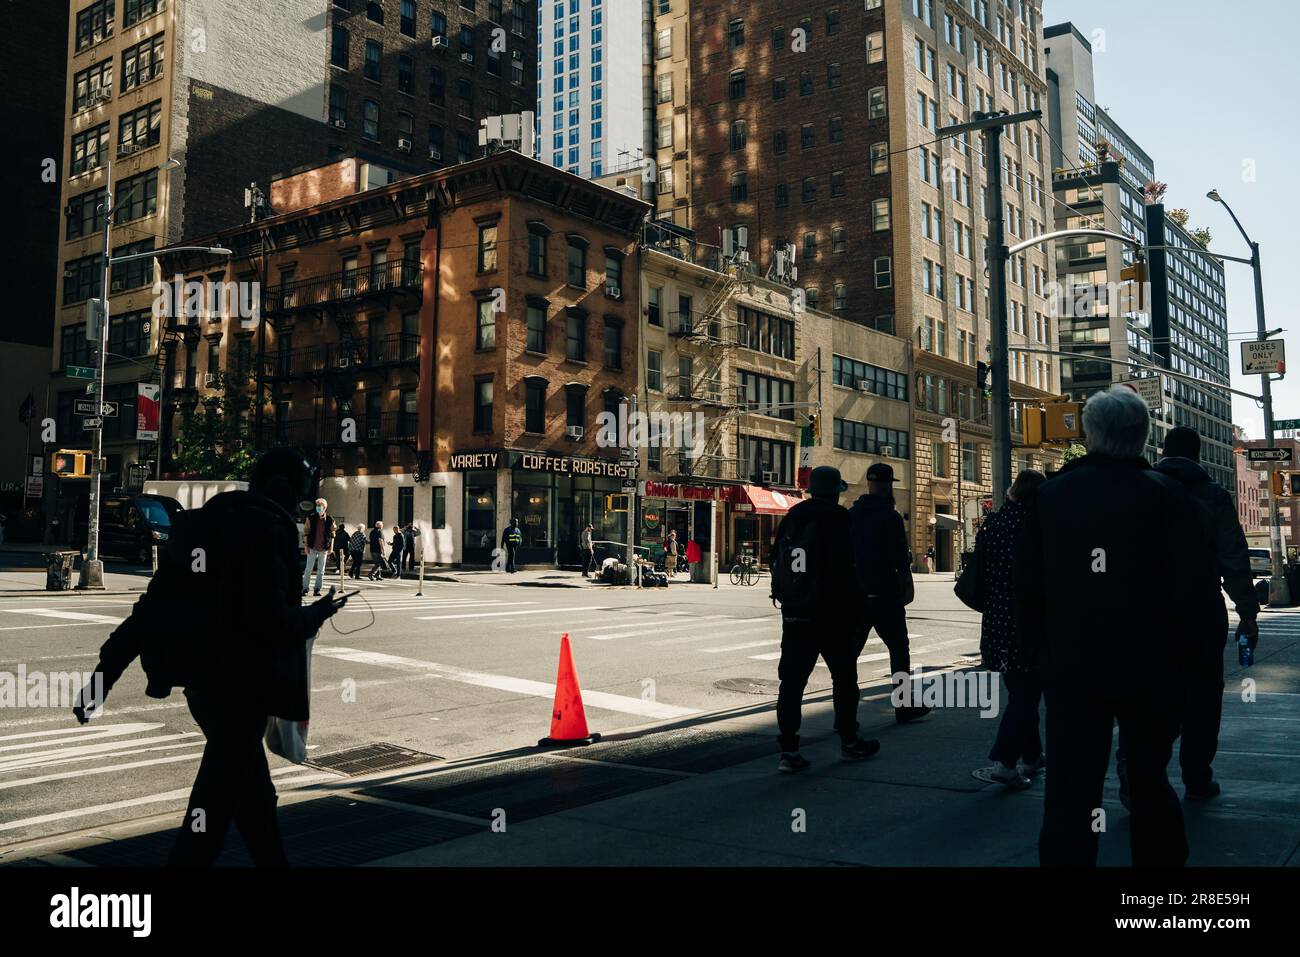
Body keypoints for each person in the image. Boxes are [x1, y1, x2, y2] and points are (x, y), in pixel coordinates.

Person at [73, 448, 348, 866]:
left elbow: (151, 609)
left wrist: (101, 681)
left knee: (249, 799)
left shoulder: (204, 524)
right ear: (287, 489)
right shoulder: (270, 530)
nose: (301, 505)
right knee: (213, 810)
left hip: (202, 687)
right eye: (302, 495)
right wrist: (315, 614)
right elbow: (270, 621)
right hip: (243, 688)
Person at [1016, 386, 1219, 867]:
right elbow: (1196, 593)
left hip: (1072, 668)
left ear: (1088, 435)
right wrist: (1198, 665)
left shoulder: (1051, 496)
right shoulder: (1169, 496)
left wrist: (1033, 656)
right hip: (1153, 668)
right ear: (1145, 437)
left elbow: (1026, 589)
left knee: (1070, 790)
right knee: (1149, 780)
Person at [1114, 425, 1259, 803]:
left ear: (1163, 451)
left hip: (1143, 613)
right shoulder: (1213, 495)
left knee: (1141, 695)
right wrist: (1247, 611)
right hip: (1199, 611)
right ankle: (1197, 776)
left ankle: (1137, 770)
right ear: (1197, 455)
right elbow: (1234, 557)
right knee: (1203, 698)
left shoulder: (1138, 489)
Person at [771, 466, 879, 773]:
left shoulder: (793, 516)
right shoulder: (840, 518)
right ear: (836, 491)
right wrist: (860, 609)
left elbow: (776, 559)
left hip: (795, 614)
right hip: (834, 614)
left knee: (791, 683)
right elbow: (850, 568)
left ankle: (789, 750)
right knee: (844, 679)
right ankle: (849, 741)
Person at [971, 469, 1048, 789]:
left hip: (996, 620)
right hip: (1028, 621)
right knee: (1027, 694)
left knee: (1020, 689)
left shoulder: (994, 523)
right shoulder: (1037, 526)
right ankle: (1004, 762)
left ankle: (1032, 757)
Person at [849, 463, 930, 724]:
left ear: (869, 484)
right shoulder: (890, 516)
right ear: (887, 485)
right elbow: (899, 558)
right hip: (885, 594)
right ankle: (904, 705)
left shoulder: (852, 513)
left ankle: (845, 711)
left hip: (858, 595)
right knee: (899, 649)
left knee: (850, 655)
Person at [301, 498, 335, 597]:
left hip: (324, 548)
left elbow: (333, 534)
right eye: (317, 506)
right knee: (308, 569)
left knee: (321, 570)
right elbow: (306, 532)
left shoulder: (329, 519)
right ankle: (305, 588)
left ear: (324, 508)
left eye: (320, 506)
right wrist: (306, 546)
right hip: (312, 547)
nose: (318, 508)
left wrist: (331, 547)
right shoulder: (310, 517)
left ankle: (317, 589)